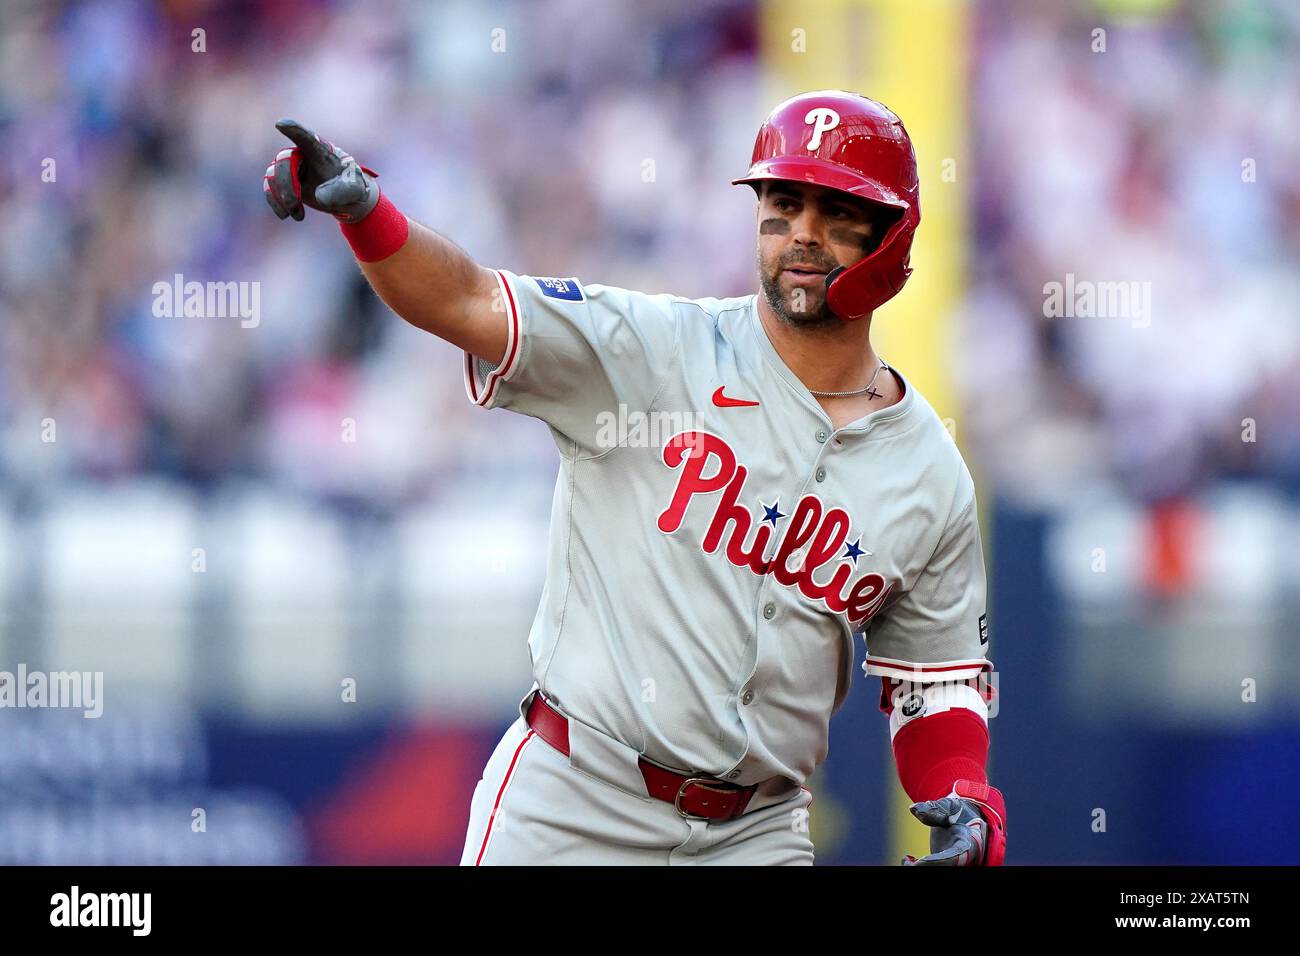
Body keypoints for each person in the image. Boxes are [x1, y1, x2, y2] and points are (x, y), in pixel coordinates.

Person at [263, 90, 1005, 866]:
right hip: (573, 804)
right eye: (783, 204)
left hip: (758, 832)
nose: (804, 234)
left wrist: (964, 793)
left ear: (894, 235)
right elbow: (465, 298)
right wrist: (368, 215)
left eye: (838, 211)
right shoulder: (652, 350)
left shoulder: (928, 470)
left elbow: (935, 683)